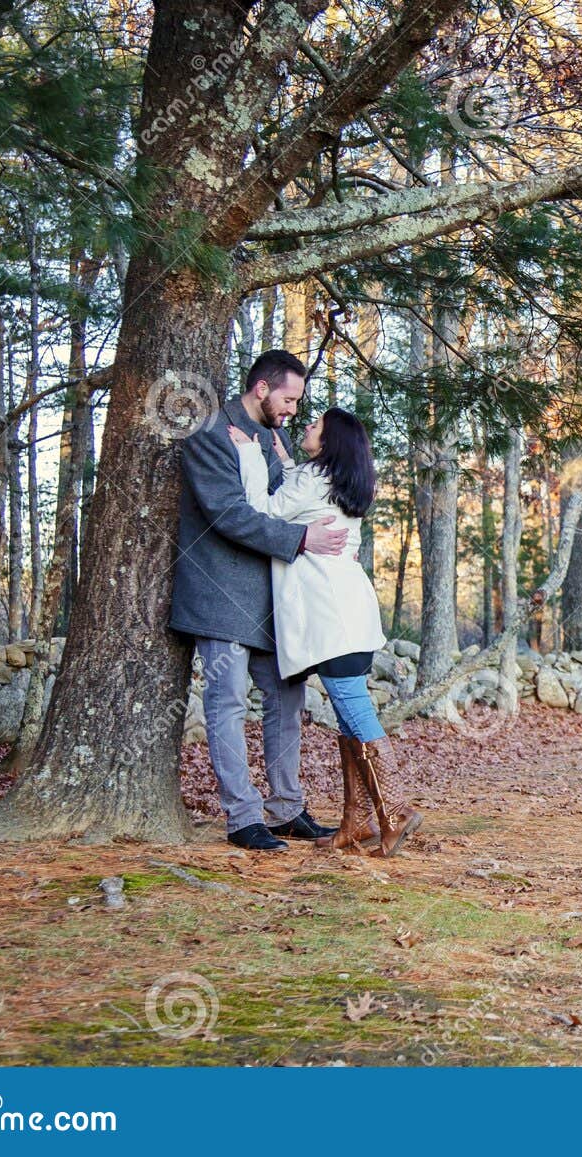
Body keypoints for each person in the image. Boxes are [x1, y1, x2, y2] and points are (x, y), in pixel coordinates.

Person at [169, 349, 347, 853]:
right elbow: (227, 514)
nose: (293, 410)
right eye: (289, 399)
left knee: (288, 697)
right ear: (263, 389)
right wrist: (300, 540)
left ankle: (287, 807)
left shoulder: (276, 438)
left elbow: (287, 498)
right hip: (220, 591)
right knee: (226, 703)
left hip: (275, 593)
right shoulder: (209, 433)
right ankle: (242, 817)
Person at [231, 404, 425, 857]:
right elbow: (303, 503)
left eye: (315, 424)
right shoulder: (341, 484)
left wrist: (250, 456)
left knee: (355, 712)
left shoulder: (312, 478)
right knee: (347, 717)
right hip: (352, 614)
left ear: (330, 441)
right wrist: (284, 464)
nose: (307, 426)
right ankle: (356, 821)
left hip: (330, 620)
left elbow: (263, 510)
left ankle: (394, 810)